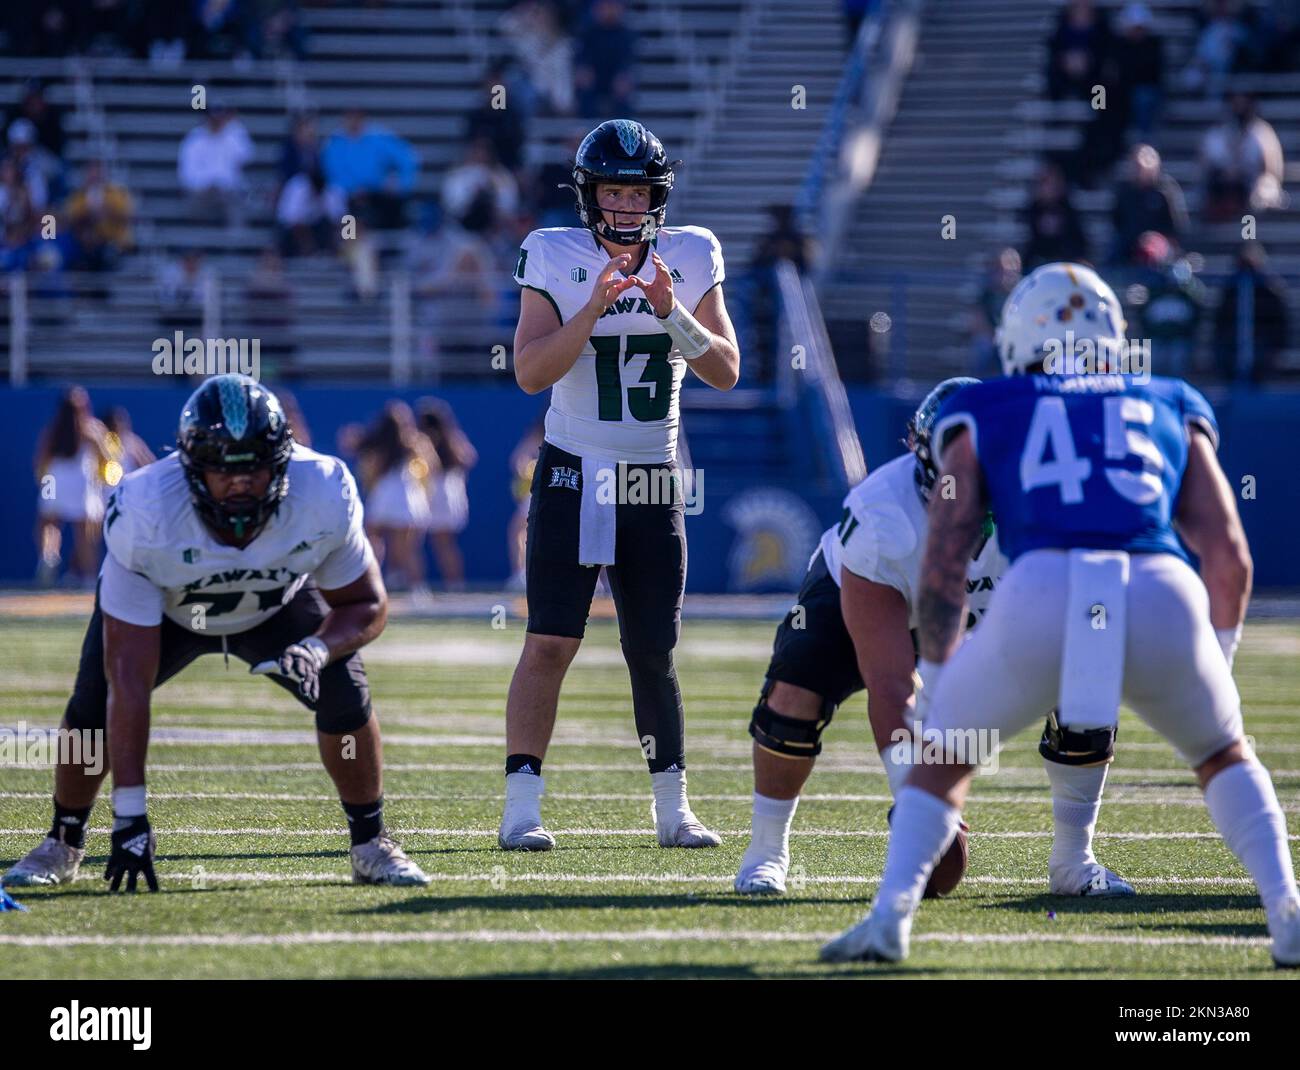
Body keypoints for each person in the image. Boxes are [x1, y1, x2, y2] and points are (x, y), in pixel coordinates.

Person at [820, 262, 1300, 968]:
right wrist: (1215, 661)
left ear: (1015, 337)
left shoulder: (985, 407)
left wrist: (940, 675)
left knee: (944, 758)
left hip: (1043, 583)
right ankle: (1287, 914)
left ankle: (889, 920)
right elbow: (1229, 554)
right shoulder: (1168, 399)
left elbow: (948, 552)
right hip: (1159, 585)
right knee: (1224, 754)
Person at [4, 375, 428, 890]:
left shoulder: (321, 488)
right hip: (168, 611)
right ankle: (63, 840)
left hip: (277, 606)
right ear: (190, 466)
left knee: (345, 691)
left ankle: (370, 842)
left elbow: (366, 603)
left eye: (255, 467)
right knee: (92, 706)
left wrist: (319, 648)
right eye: (223, 469)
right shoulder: (146, 507)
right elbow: (129, 680)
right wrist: (130, 815)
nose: (240, 483)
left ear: (283, 460)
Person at [734, 377, 1133, 899]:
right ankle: (766, 852)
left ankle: (1074, 859)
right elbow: (891, 686)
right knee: (792, 702)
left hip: (996, 609)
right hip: (882, 599)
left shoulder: (1052, 510)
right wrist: (920, 800)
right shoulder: (882, 517)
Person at [502, 119, 740, 850]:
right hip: (573, 468)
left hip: (651, 475)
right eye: (614, 191)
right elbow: (530, 372)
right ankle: (521, 807)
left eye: (638, 193)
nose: (627, 206)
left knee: (653, 649)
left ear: (657, 196)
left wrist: (671, 311)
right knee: (549, 641)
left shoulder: (691, 254)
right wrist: (593, 309)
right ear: (590, 194)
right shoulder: (554, 253)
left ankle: (673, 809)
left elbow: (725, 370)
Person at [347, 401, 435, 605]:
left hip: (383, 499)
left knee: (373, 543)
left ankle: (370, 584)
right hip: (405, 499)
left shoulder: (378, 447)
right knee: (406, 549)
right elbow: (429, 466)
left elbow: (370, 472)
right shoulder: (413, 444)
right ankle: (417, 590)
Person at [33, 387, 110, 588]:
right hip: (80, 483)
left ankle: (49, 556)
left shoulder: (53, 430)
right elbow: (106, 458)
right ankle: (89, 577)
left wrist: (43, 482)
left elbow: (41, 460)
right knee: (84, 532)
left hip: (53, 480)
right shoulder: (93, 429)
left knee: (49, 524)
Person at [417, 398, 478, 591]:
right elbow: (469, 458)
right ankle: (455, 583)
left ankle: (454, 584)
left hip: (439, 494)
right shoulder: (453, 438)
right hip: (453, 493)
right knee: (445, 543)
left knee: (442, 543)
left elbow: (429, 467)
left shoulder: (427, 440)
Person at [1200, 93, 1286, 221]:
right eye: (1235, 104)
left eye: (1242, 104)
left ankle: (1250, 228)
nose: (1239, 108)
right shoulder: (1216, 133)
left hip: (1252, 182)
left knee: (1261, 194)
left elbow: (1271, 168)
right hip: (1222, 184)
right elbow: (1204, 164)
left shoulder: (1262, 132)